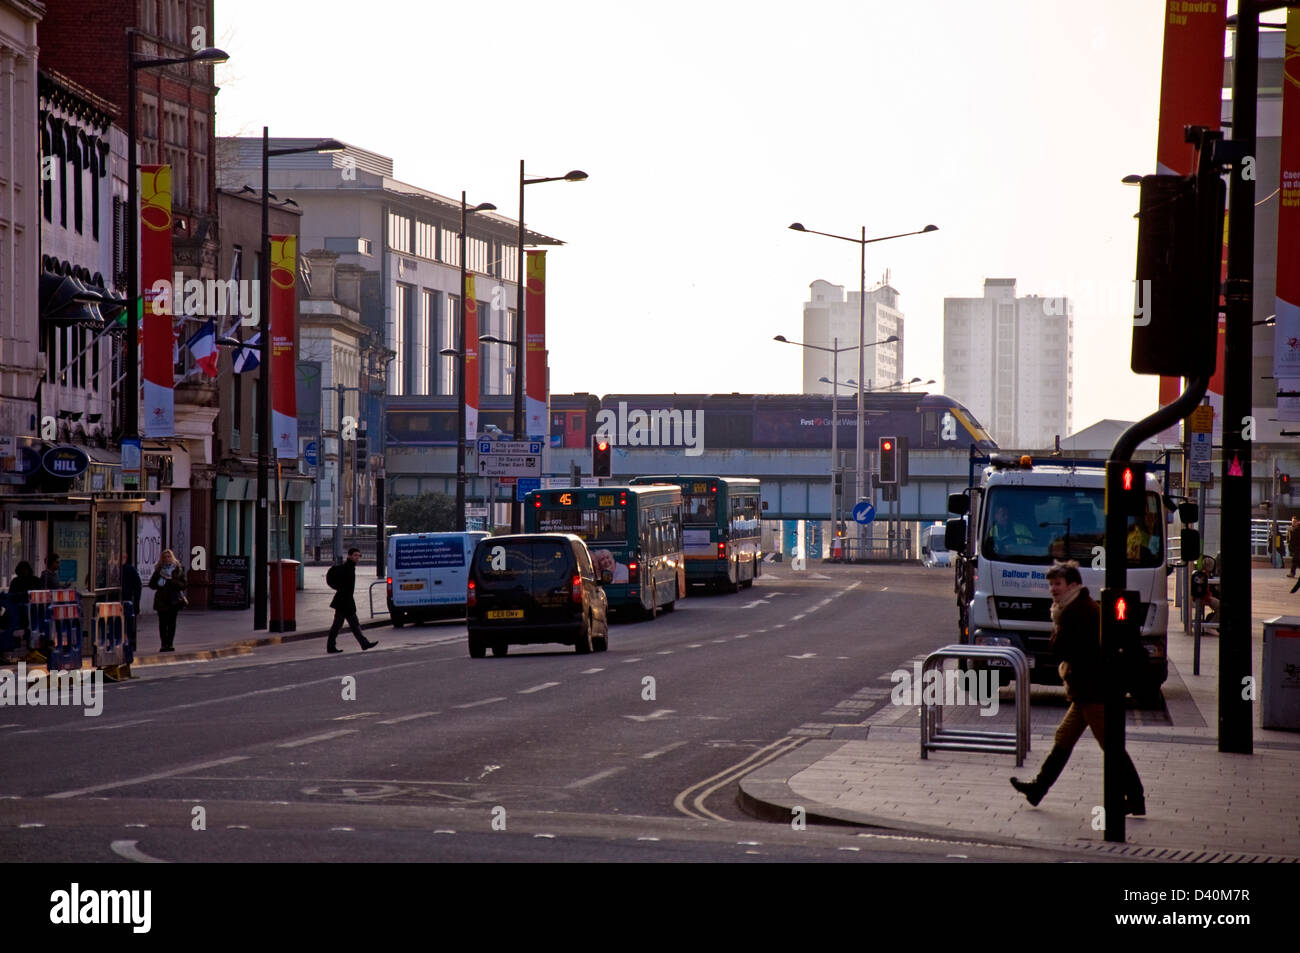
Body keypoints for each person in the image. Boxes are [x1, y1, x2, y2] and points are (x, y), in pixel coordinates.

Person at [1009, 561, 1146, 815]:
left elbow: (1061, 649)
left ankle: (1136, 798)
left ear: (1072, 584)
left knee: (1111, 745)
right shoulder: (1072, 607)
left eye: (1057, 584)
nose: (1053, 589)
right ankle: (1038, 789)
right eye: (1051, 584)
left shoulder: (1076, 611)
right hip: (1086, 690)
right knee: (1064, 737)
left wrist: (1058, 633)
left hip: (1093, 690)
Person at [326, 547, 377, 654]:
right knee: (339, 625)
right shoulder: (347, 567)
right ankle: (331, 646)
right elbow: (344, 586)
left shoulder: (350, 567)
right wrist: (340, 589)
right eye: (355, 555)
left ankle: (364, 643)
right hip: (343, 602)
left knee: (352, 624)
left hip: (345, 601)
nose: (357, 558)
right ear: (349, 556)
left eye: (358, 555)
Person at [149, 549, 188, 653]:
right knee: (162, 623)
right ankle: (163, 644)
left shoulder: (177, 570)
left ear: (172, 558)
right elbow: (151, 585)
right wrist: (159, 583)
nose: (167, 559)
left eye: (168, 557)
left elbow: (184, 585)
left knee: (171, 623)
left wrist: (172, 581)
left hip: (173, 600)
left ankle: (170, 643)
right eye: (164, 557)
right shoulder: (158, 570)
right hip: (161, 601)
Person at [6, 561, 38, 650]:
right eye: (23, 569)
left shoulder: (32, 580)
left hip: (27, 613)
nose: (24, 571)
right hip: (23, 613)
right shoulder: (18, 581)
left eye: (25, 569)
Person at [121, 552, 143, 653]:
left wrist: (136, 603)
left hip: (127, 601)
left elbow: (138, 586)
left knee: (129, 624)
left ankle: (129, 644)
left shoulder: (129, 569)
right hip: (119, 601)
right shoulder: (112, 569)